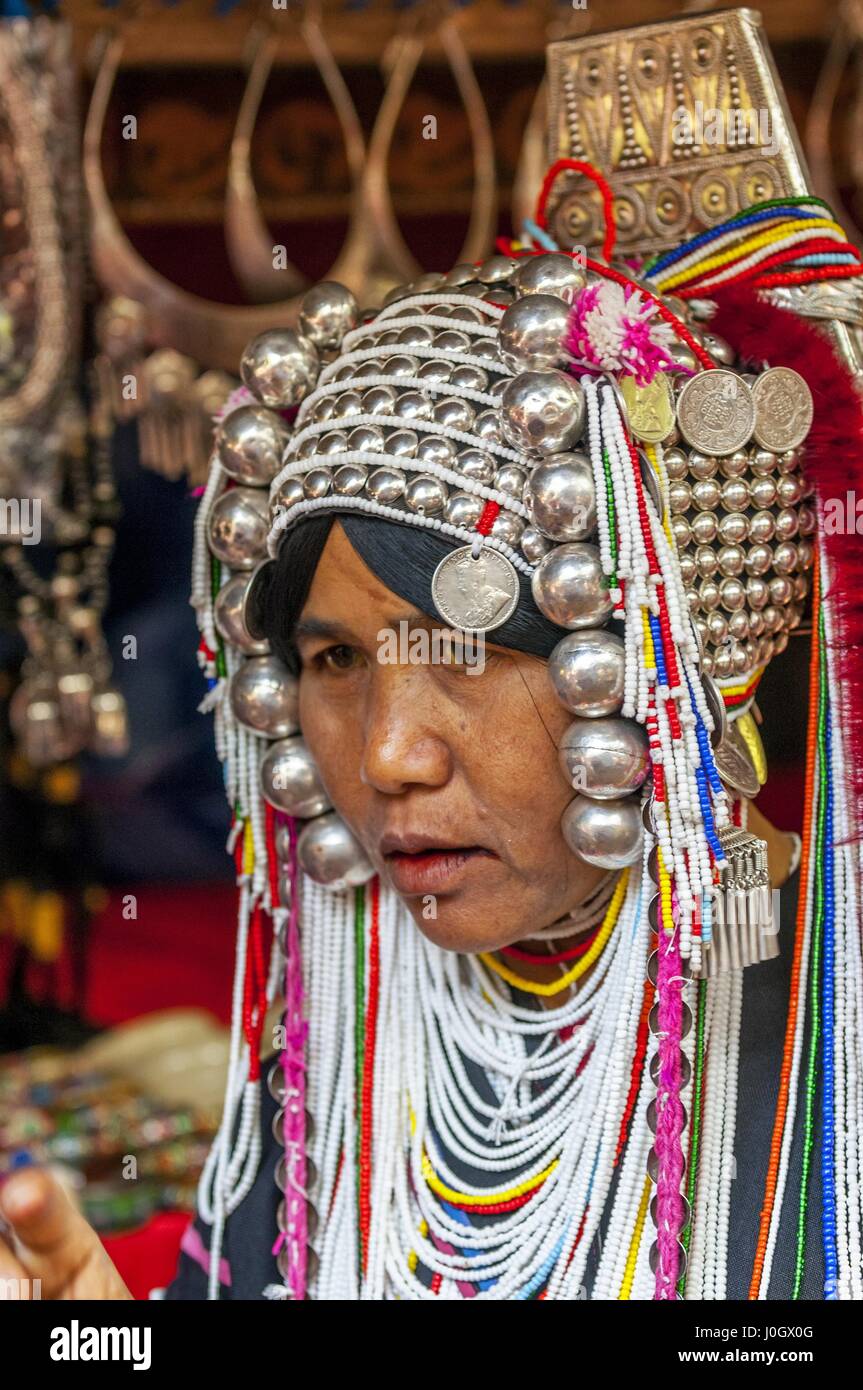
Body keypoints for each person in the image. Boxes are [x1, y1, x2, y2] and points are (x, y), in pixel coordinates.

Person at [4, 12, 863, 1301]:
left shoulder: (825, 1095)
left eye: (461, 645)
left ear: (667, 671)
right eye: (336, 662)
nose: (390, 756)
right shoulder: (343, 1050)